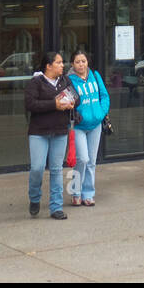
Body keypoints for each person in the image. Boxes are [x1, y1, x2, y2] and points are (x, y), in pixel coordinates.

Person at [25, 50, 75, 219]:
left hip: (60, 130)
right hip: (39, 132)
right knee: (37, 168)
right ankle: (34, 197)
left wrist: (73, 101)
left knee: (56, 169)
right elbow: (31, 104)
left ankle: (56, 207)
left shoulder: (65, 80)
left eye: (62, 62)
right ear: (48, 66)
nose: (62, 65)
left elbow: (77, 97)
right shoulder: (36, 82)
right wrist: (54, 104)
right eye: (59, 63)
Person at [67, 50, 110, 207]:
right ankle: (75, 192)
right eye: (77, 62)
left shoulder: (95, 75)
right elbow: (68, 102)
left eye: (83, 61)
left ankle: (88, 193)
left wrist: (101, 112)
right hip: (79, 126)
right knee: (82, 159)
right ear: (72, 64)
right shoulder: (69, 80)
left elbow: (104, 96)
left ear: (87, 62)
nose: (81, 64)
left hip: (95, 125)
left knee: (91, 161)